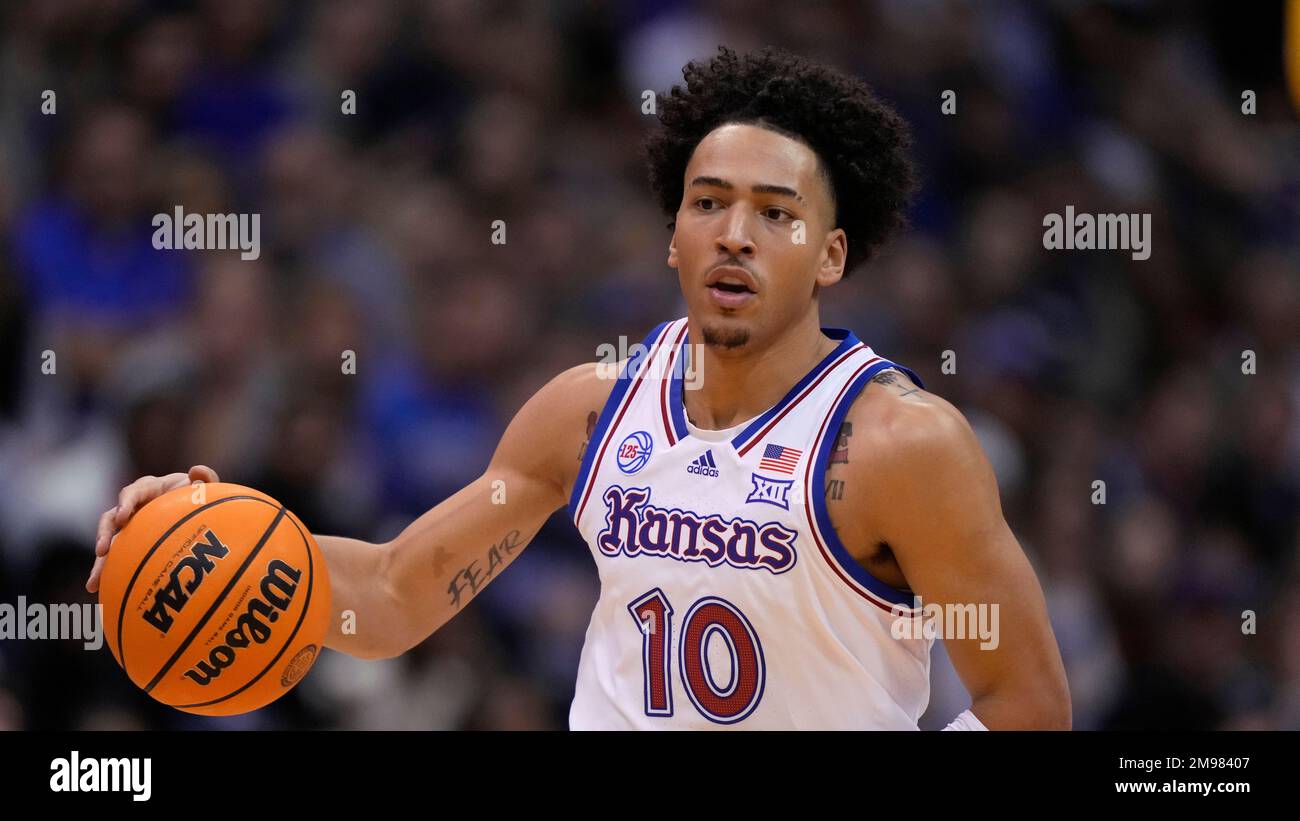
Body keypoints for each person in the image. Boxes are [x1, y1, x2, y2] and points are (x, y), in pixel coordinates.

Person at [88, 47, 1070, 730]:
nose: (734, 231)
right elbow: (393, 595)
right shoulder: (587, 411)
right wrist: (200, 525)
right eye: (708, 202)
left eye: (776, 213)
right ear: (672, 234)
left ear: (830, 255)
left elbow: (1027, 701)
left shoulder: (904, 444)